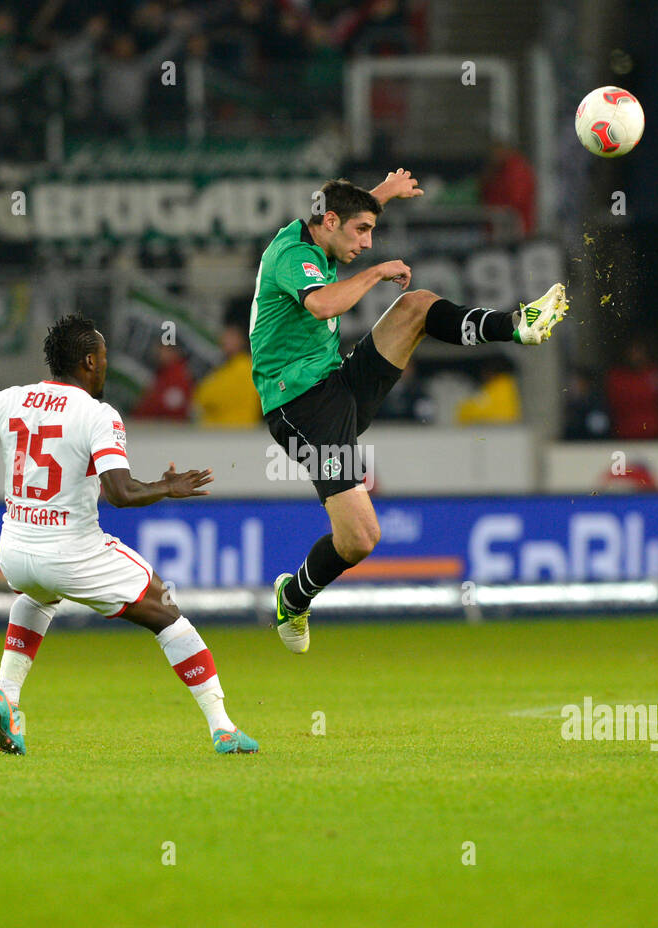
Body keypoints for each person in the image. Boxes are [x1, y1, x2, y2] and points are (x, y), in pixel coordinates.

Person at [250, 172, 568, 652]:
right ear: (331, 222)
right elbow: (321, 305)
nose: (367, 242)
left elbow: (342, 213)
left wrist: (379, 195)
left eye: (370, 232)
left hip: (337, 384)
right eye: (362, 231)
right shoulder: (293, 257)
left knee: (415, 306)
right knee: (360, 538)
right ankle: (292, 597)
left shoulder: (317, 229)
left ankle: (517, 325)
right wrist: (376, 272)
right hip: (299, 408)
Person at [0, 313, 258, 756]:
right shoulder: (98, 414)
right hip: (73, 552)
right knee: (166, 609)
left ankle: (6, 694)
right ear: (86, 362)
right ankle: (224, 727)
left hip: (15, 553)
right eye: (101, 358)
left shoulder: (10, 399)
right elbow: (120, 492)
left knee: (38, 595)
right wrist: (167, 487)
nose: (104, 366)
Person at [192, 320, 260, 426]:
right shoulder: (224, 367)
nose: (225, 341)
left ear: (241, 341)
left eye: (231, 337)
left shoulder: (246, 366)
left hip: (238, 431)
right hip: (220, 431)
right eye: (224, 337)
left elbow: (211, 396)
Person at [606, 337, 658, 439]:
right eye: (633, 352)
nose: (636, 356)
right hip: (625, 433)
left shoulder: (654, 374)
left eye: (639, 352)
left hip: (652, 434)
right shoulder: (616, 377)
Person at [132, 342, 194, 420]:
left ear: (172, 351)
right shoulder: (165, 373)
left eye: (162, 349)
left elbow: (172, 409)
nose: (157, 352)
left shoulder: (177, 377)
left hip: (159, 428)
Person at [455, 356, 521, 425]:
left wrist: (463, 410)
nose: (483, 375)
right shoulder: (510, 385)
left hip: (502, 427)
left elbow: (474, 411)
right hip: (508, 427)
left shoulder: (500, 386)